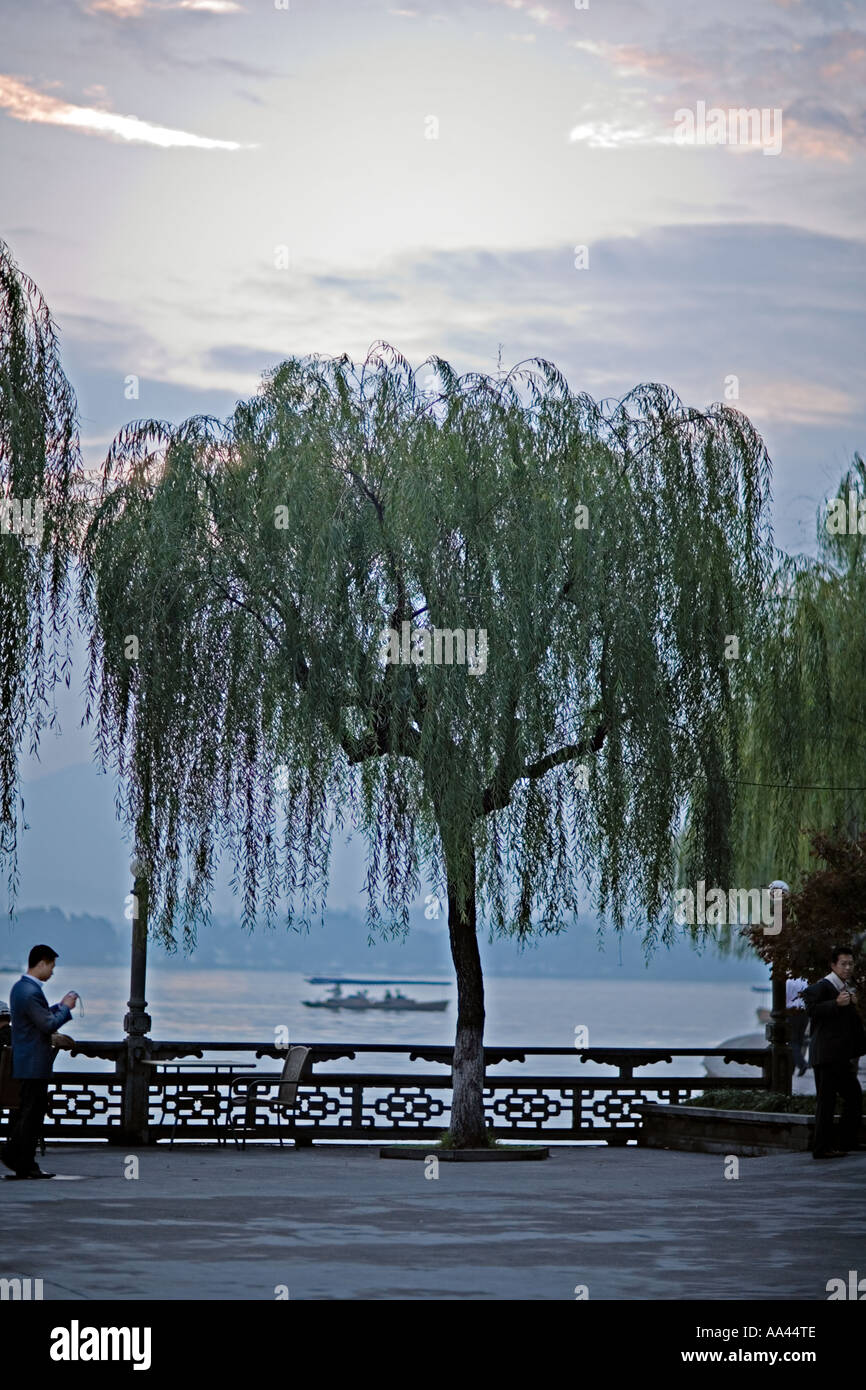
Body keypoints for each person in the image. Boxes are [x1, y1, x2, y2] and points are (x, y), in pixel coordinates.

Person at [0, 945, 77, 1180]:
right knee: (32, 1113)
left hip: (27, 1061)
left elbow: (38, 1017)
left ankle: (23, 1162)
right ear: (41, 963)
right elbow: (48, 1025)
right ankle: (16, 1156)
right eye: (51, 966)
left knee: (30, 1111)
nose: (52, 972)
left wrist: (56, 1007)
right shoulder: (30, 991)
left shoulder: (20, 989)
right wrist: (66, 1007)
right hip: (33, 1062)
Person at [803, 946, 866, 1160]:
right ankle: (821, 1148)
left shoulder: (846, 988)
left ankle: (846, 1141)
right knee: (827, 1101)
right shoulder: (823, 986)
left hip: (838, 1056)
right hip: (826, 1055)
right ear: (833, 965)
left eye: (851, 964)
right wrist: (835, 1003)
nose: (848, 968)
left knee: (853, 1096)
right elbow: (811, 1009)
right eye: (843, 964)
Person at [786, 976, 810, 1077]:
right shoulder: (805, 980)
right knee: (798, 1041)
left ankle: (801, 1064)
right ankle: (792, 1068)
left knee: (792, 1041)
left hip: (791, 1012)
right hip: (804, 1013)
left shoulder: (787, 981)